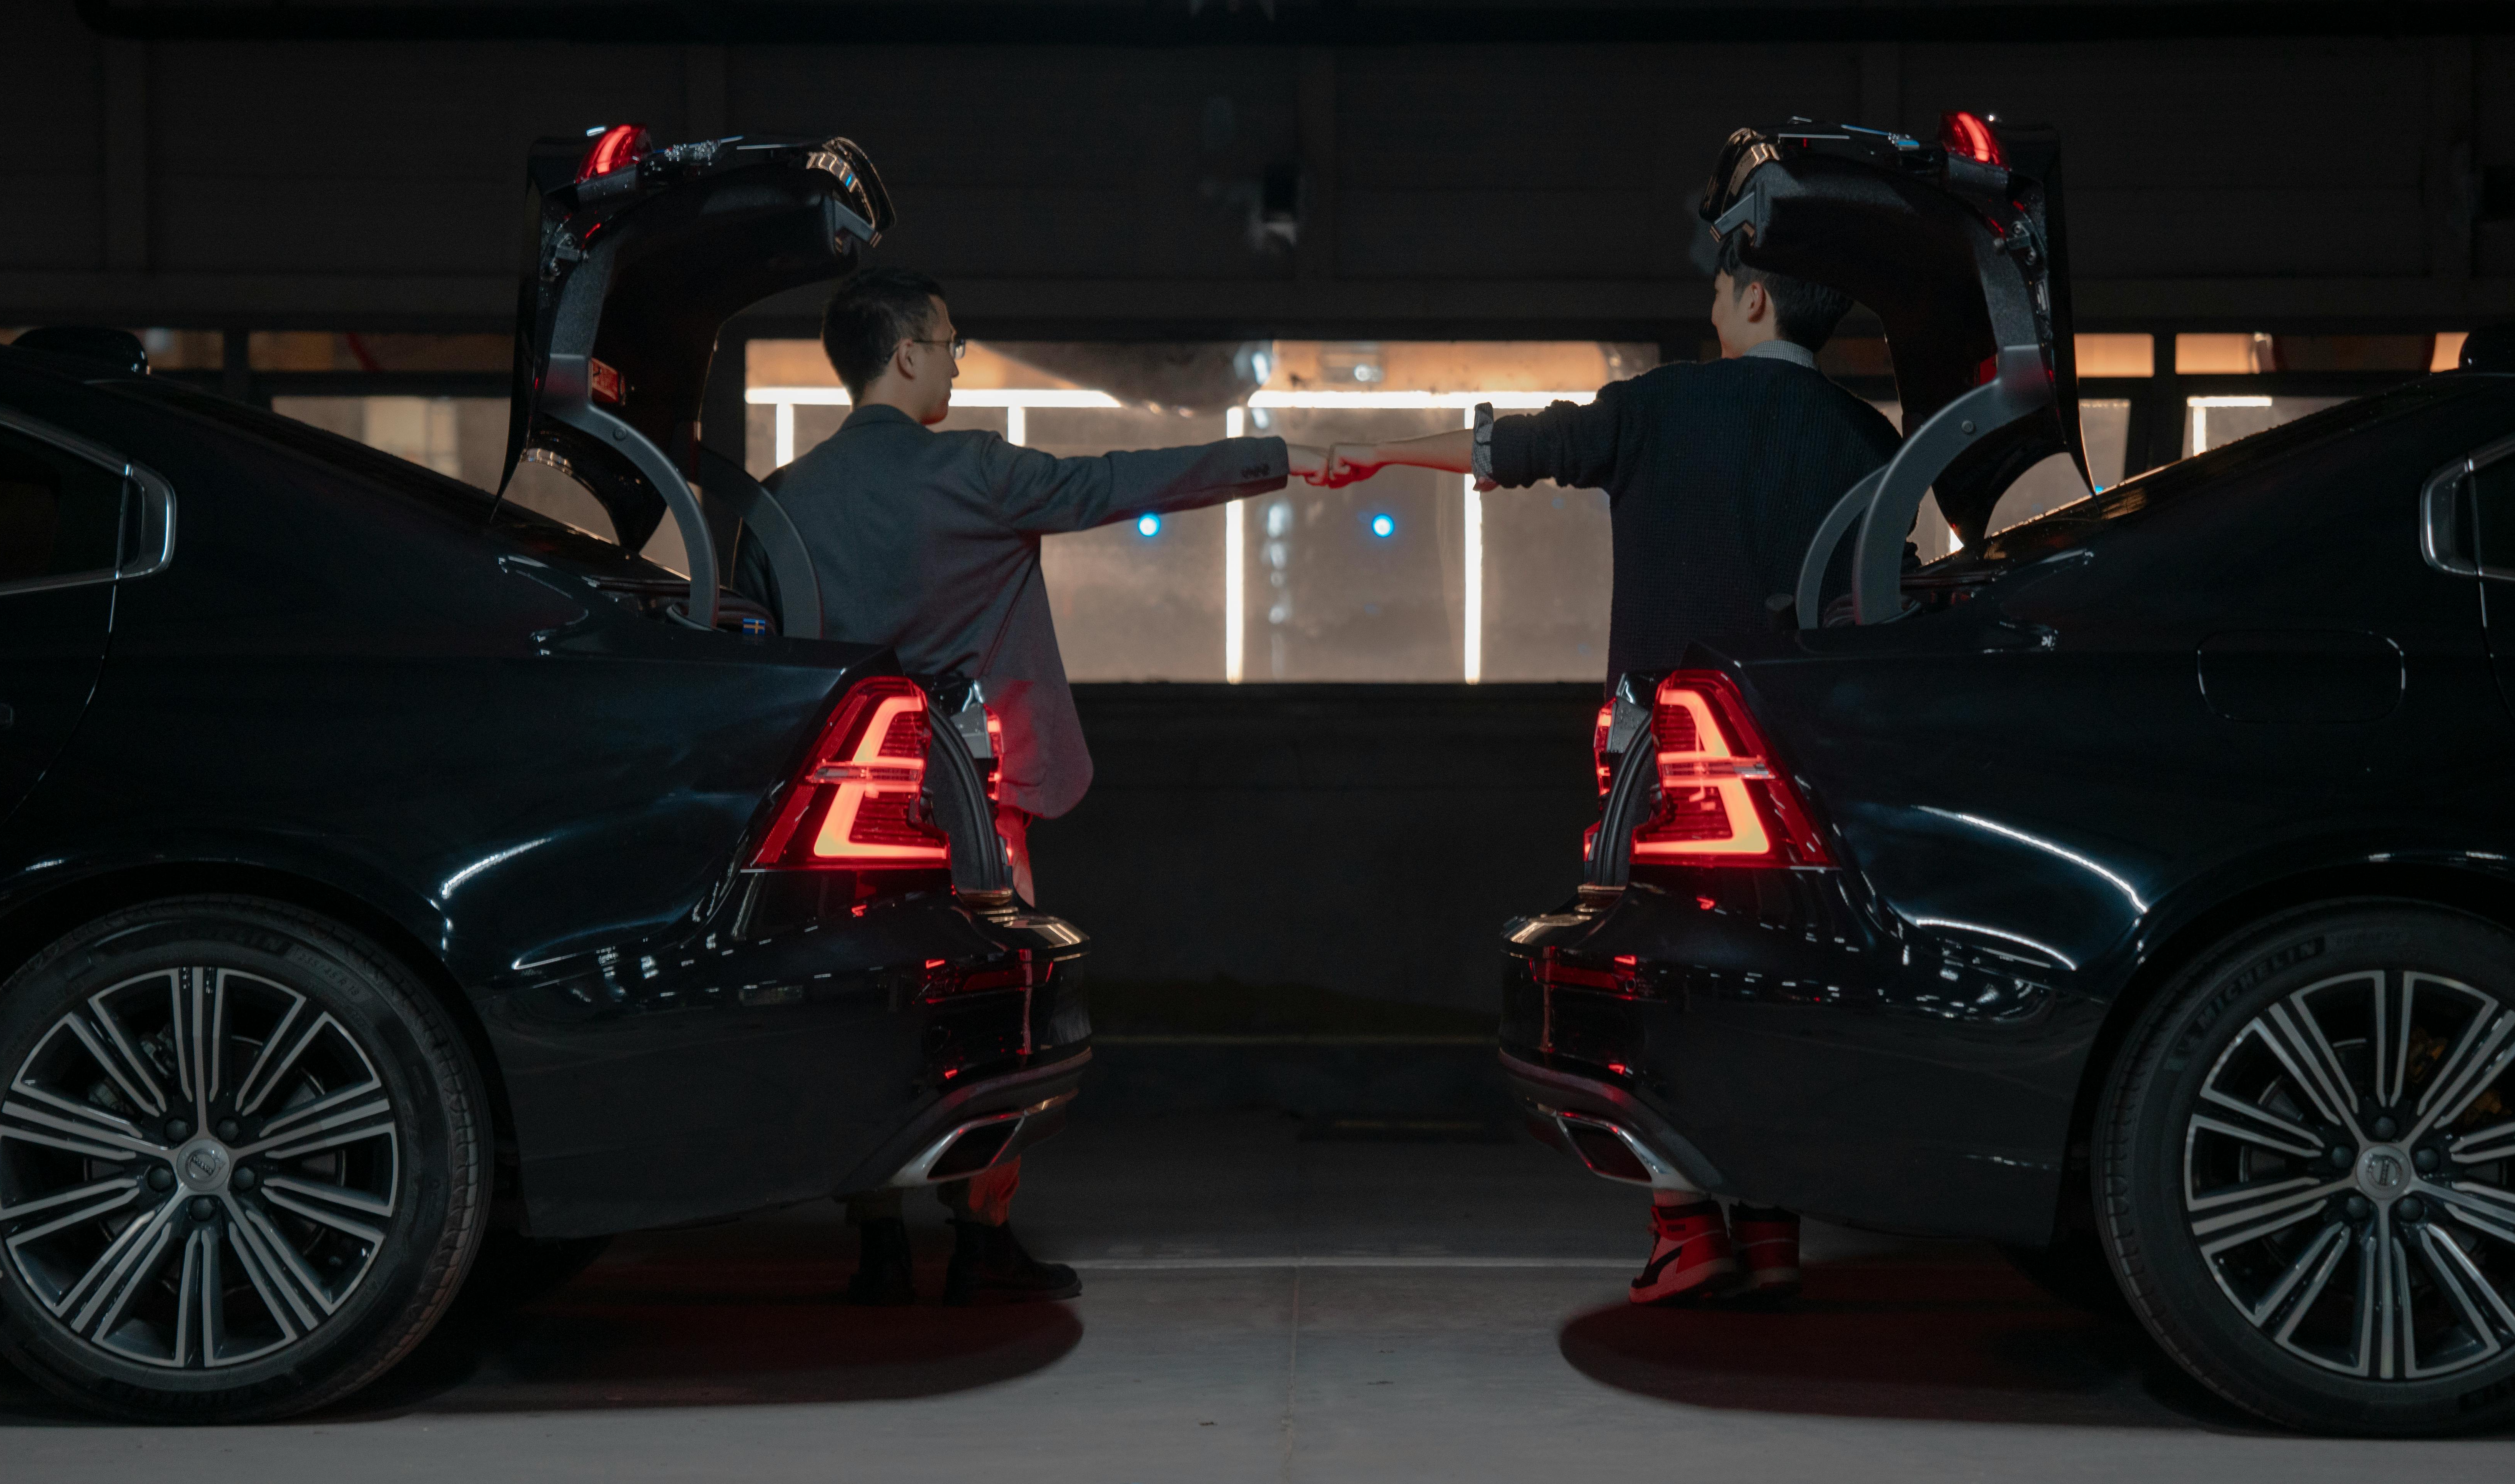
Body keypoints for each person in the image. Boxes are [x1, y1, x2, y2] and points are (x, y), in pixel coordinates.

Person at [1321, 251, 1901, 1307]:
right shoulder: (1872, 440)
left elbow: (1516, 444)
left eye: (1722, 285)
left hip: (1669, 760)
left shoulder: (1662, 408)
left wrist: (1380, 449)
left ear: (1754, 297)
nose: (1712, 302)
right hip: (1821, 768)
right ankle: (1773, 1230)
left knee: (1664, 987)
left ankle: (1687, 1233)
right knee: (1787, 983)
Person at [760, 266, 1325, 1308]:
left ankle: (878, 1240)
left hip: (838, 815)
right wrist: (1278, 459)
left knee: (863, 1017)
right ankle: (982, 1236)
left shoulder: (783, 505)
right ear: (905, 354)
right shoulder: (971, 470)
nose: (959, 355)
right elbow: (1119, 482)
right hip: (974, 811)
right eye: (947, 338)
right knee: (991, 1018)